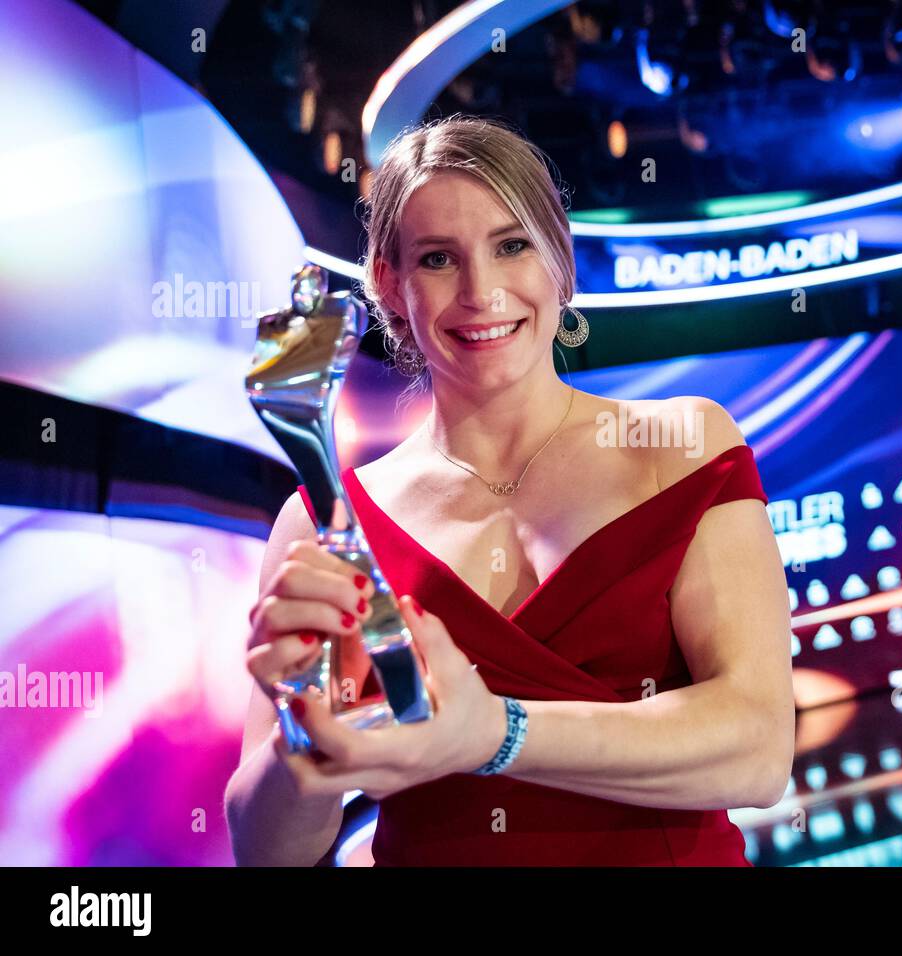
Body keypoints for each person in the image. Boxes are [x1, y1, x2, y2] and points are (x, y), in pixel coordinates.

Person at [224, 114, 794, 866]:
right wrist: (308, 735)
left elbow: (756, 749)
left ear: (559, 260)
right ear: (391, 286)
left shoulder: (683, 448)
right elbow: (267, 853)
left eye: (512, 244)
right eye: (437, 259)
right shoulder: (323, 527)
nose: (482, 292)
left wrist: (494, 733)